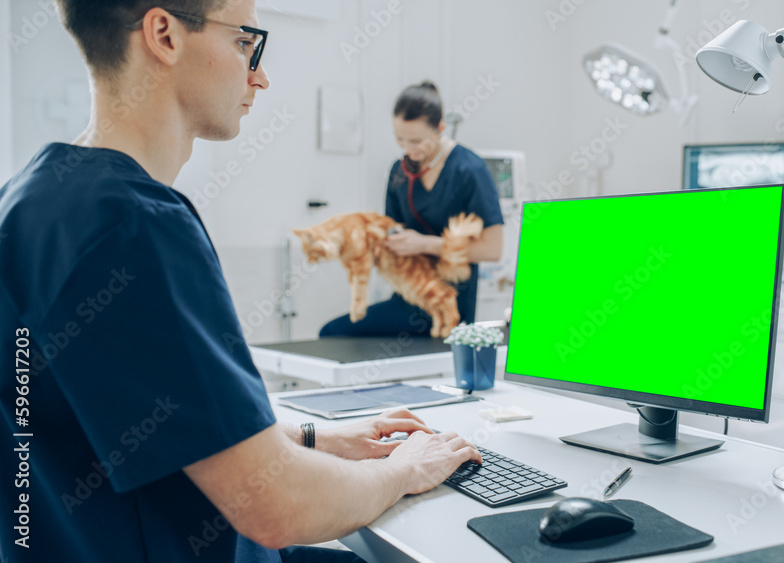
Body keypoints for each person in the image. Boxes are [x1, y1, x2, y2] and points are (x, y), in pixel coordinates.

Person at [0, 2, 480, 562]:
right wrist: (405, 469)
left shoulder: (30, 200)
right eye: (244, 42)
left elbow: (151, 421)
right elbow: (279, 508)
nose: (260, 74)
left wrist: (315, 439)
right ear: (164, 35)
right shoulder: (138, 226)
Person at [319, 82, 504, 337]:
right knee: (332, 334)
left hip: (450, 305)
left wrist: (425, 244)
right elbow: (390, 234)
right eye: (400, 140)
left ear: (440, 128)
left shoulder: (469, 170)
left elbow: (492, 250)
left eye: (416, 141)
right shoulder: (399, 173)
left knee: (335, 335)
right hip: (408, 298)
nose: (408, 149)